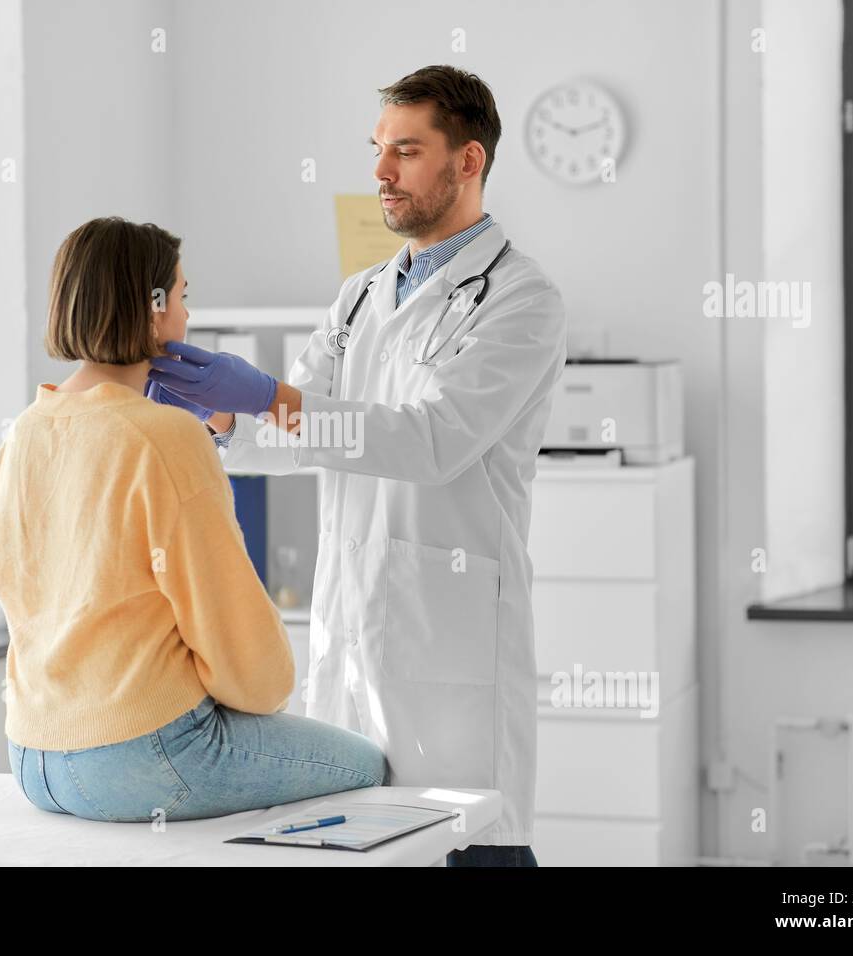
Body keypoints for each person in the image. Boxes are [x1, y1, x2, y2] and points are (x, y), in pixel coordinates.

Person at [147, 65, 567, 866]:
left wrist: (273, 397)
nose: (380, 172)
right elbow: (305, 430)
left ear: (468, 161)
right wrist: (228, 411)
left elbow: (434, 440)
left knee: (467, 847)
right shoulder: (360, 296)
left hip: (451, 639)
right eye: (378, 149)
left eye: (405, 151)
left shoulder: (521, 298)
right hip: (353, 632)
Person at [0, 216, 388, 824]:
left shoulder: (25, 432)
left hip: (32, 756)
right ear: (153, 309)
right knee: (370, 769)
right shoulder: (164, 435)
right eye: (184, 296)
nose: (188, 315)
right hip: (145, 757)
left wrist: (220, 422)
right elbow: (254, 671)